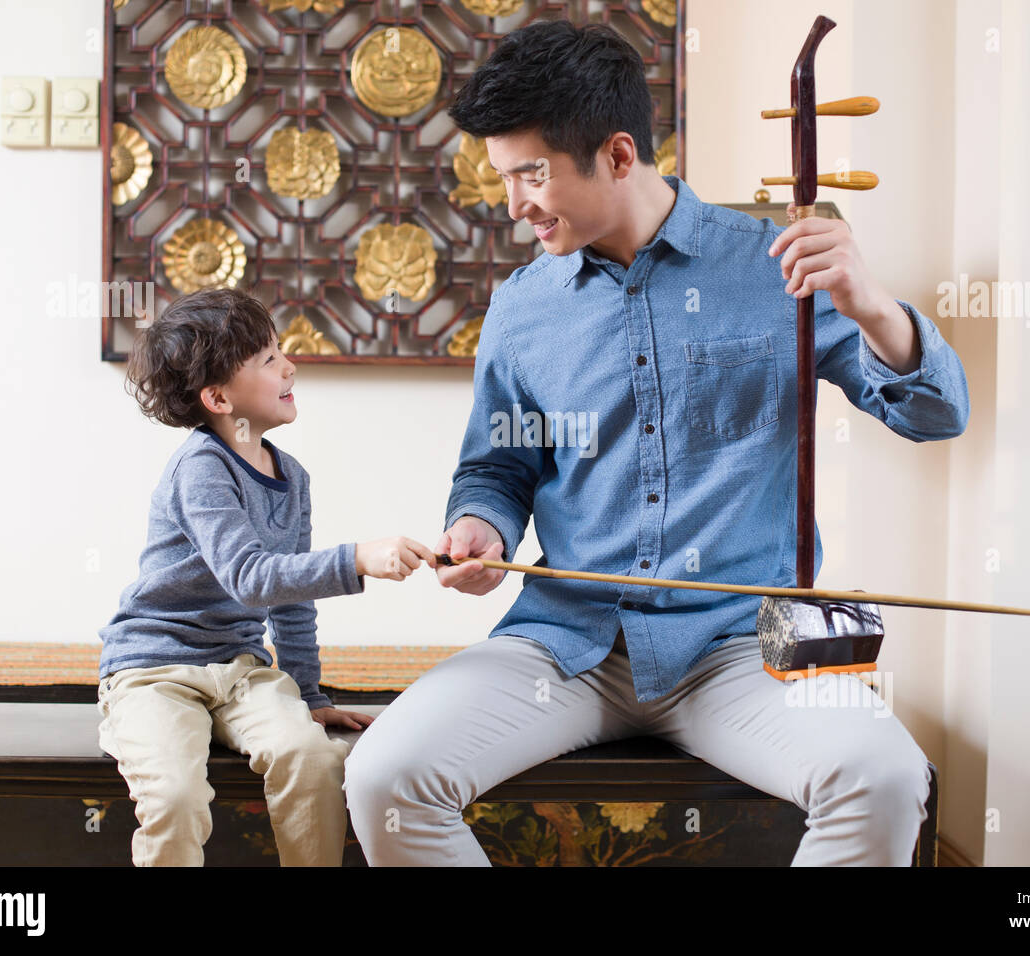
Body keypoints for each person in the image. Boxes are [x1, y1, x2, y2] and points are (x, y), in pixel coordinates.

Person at [342, 19, 970, 867]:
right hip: (567, 644)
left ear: (618, 154)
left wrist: (873, 307)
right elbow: (498, 464)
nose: (515, 202)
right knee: (386, 772)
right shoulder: (524, 306)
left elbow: (936, 415)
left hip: (743, 645)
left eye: (532, 173)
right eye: (503, 177)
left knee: (885, 775)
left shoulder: (775, 265)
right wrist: (481, 527)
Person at [97, 287, 436, 866]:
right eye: (268, 359)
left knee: (314, 758)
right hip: (155, 670)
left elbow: (291, 601)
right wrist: (356, 558)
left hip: (240, 670)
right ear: (218, 397)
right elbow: (252, 579)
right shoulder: (200, 467)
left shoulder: (292, 478)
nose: (290, 365)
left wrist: (307, 693)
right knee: (175, 795)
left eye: (280, 351)